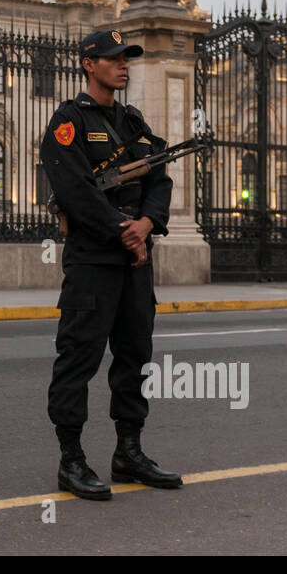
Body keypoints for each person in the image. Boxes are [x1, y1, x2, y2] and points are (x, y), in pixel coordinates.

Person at [39, 28, 183, 499]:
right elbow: (76, 192)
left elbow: (159, 176)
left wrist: (147, 223)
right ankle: (72, 459)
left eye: (127, 58)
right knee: (78, 358)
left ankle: (128, 452)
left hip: (135, 264)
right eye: (114, 58)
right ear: (88, 63)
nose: (123, 65)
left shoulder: (134, 123)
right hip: (94, 262)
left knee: (135, 356)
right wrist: (125, 233)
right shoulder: (69, 122)